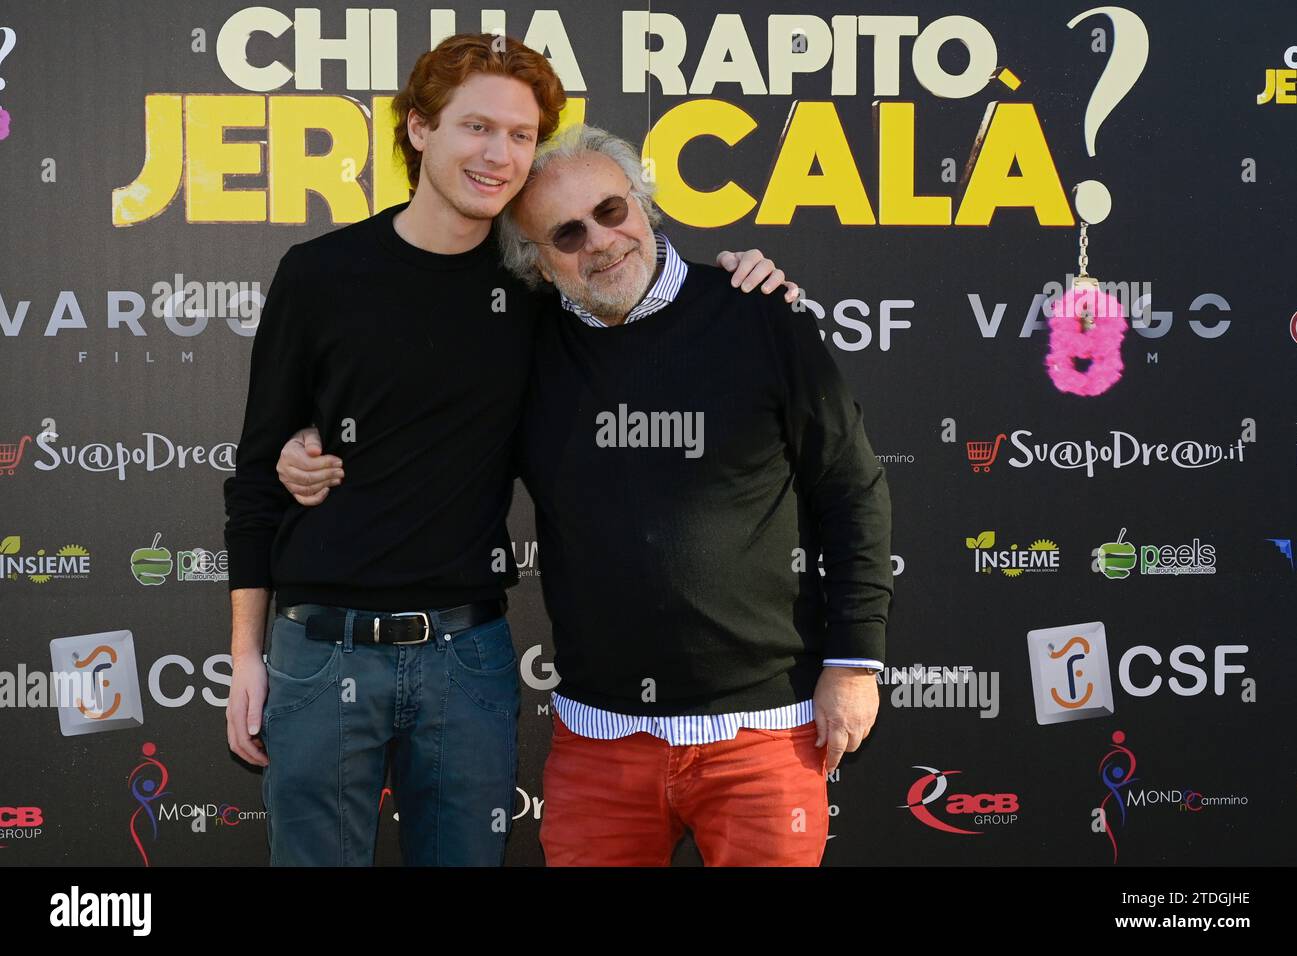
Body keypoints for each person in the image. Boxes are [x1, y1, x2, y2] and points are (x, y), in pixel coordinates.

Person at [224, 34, 796, 867]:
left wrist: (743, 280)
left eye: (521, 135)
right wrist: (246, 655)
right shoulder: (320, 273)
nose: (499, 155)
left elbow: (644, 299)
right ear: (419, 129)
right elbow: (257, 473)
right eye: (476, 127)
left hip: (468, 657)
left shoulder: (541, 280)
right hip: (319, 651)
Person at [280, 125, 893, 866]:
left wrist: (855, 664)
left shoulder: (756, 310)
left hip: (763, 734)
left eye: (611, 209)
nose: (601, 241)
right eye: (566, 233)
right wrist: (305, 441)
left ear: (644, 203)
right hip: (599, 744)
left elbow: (851, 490)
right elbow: (414, 425)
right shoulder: (520, 348)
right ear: (535, 263)